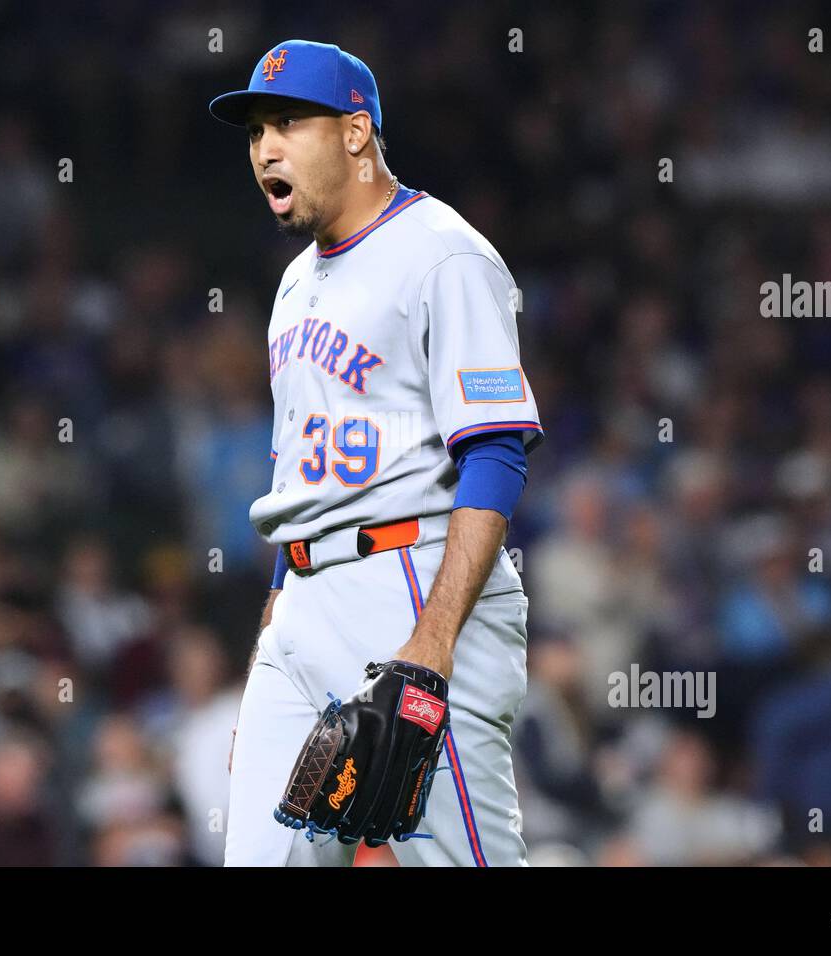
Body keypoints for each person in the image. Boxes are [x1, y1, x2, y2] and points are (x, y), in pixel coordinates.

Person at [209, 40, 543, 866]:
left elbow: (496, 453)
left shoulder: (443, 253)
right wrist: (274, 633)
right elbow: (300, 481)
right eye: (255, 132)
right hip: (302, 602)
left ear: (356, 132)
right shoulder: (295, 284)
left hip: (412, 585)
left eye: (288, 123)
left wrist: (432, 643)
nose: (265, 149)